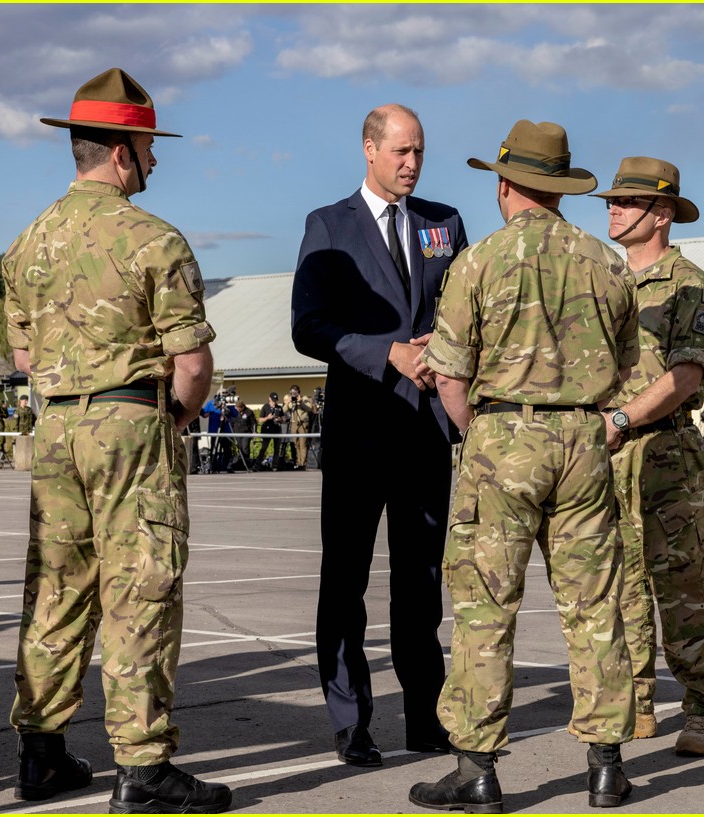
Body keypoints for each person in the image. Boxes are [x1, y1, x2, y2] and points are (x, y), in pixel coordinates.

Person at [0, 67, 229, 812]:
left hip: (57, 423)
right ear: (123, 152)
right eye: (150, 147)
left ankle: (41, 752)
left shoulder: (26, 242)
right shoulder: (154, 240)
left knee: (57, 588)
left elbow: (26, 359)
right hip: (131, 421)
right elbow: (191, 364)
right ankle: (143, 768)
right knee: (142, 589)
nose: (155, 162)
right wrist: (172, 420)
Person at [410, 119, 637, 812]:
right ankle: (605, 764)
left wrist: (485, 434)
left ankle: (476, 767)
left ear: (506, 186)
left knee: (485, 606)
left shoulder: (479, 261)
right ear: (560, 190)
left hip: (504, 436)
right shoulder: (607, 262)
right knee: (594, 604)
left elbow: (448, 374)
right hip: (583, 437)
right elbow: (626, 365)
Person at [292, 103, 467, 766]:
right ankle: (351, 722)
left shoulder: (443, 224)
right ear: (369, 149)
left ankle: (426, 715)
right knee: (346, 583)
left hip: (425, 431)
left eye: (420, 151)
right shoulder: (328, 226)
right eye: (401, 151)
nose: (413, 164)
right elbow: (310, 326)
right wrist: (388, 352)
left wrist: (445, 352)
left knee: (421, 583)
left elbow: (466, 308)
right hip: (361, 432)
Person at [594, 156, 704, 755]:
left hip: (665, 453)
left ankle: (703, 706)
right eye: (609, 201)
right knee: (617, 583)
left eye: (627, 201)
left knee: (680, 584)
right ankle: (636, 700)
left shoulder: (690, 285)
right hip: (605, 456)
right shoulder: (601, 280)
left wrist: (621, 418)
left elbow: (686, 375)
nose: (613, 209)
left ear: (663, 213)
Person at [284, 385, 314, 470]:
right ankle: (298, 462)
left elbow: (309, 408)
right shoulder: (291, 401)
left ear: (298, 392)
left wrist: (300, 401)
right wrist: (287, 402)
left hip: (303, 423)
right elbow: (284, 410)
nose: (293, 394)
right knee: (296, 444)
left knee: (303, 444)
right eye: (291, 393)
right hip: (294, 423)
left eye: (294, 393)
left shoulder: (304, 399)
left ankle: (302, 464)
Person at [255, 392, 284, 467]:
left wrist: (280, 419)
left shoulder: (279, 407)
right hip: (267, 430)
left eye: (275, 400)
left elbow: (284, 419)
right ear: (269, 399)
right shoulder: (265, 407)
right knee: (263, 448)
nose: (274, 402)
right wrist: (268, 418)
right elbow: (260, 419)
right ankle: (258, 464)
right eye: (273, 400)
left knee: (277, 449)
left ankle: (274, 465)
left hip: (277, 430)